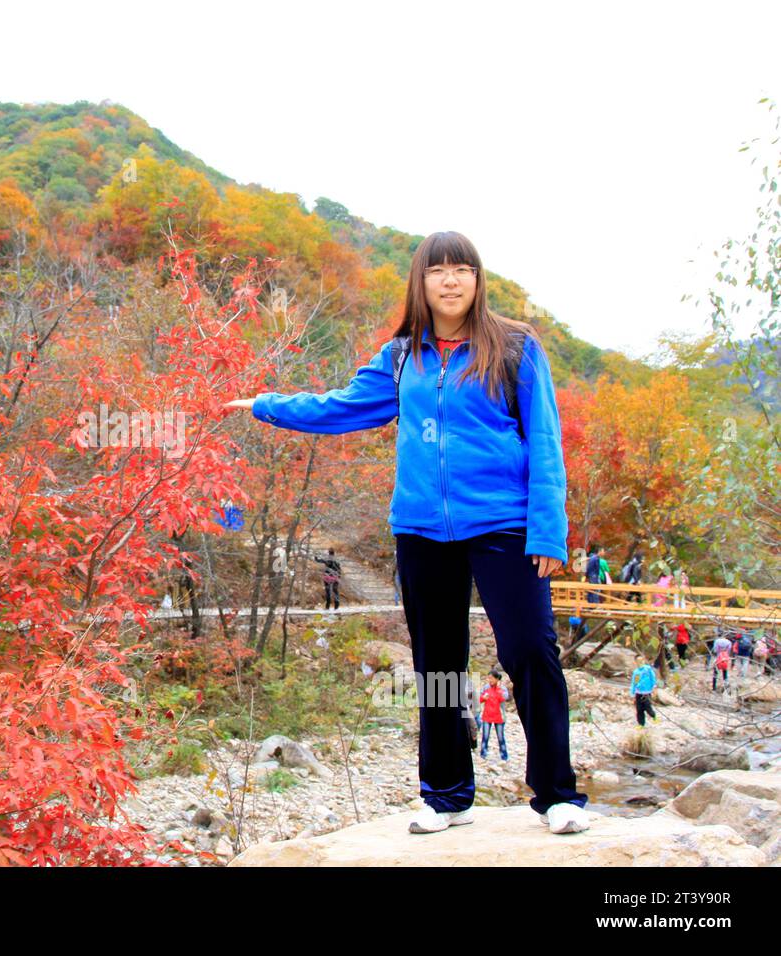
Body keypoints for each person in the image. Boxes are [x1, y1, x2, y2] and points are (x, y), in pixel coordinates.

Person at [226, 230, 589, 836]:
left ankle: (556, 793)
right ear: (420, 282)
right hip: (421, 530)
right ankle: (446, 794)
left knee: (530, 650)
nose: (451, 280)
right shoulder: (402, 357)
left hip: (504, 524)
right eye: (438, 270)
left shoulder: (516, 348)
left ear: (478, 279)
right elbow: (337, 407)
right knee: (438, 665)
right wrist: (265, 404)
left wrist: (549, 533)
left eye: (462, 269)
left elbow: (546, 443)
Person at [479, 669, 510, 760]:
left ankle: (504, 755)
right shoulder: (485, 687)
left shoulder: (502, 688)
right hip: (487, 715)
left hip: (499, 716)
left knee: (500, 737)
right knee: (485, 736)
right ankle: (483, 753)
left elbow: (504, 698)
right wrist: (483, 698)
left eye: (491, 678)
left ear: (497, 679)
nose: (490, 680)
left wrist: (499, 690)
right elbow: (479, 700)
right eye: (488, 678)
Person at [630, 654, 659, 726]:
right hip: (638, 693)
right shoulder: (636, 672)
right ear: (636, 662)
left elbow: (653, 678)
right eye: (638, 661)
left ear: (643, 660)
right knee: (639, 709)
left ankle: (654, 716)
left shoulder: (648, 669)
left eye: (641, 660)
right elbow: (634, 682)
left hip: (647, 693)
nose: (640, 662)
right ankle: (641, 724)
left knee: (648, 707)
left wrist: (654, 686)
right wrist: (632, 692)